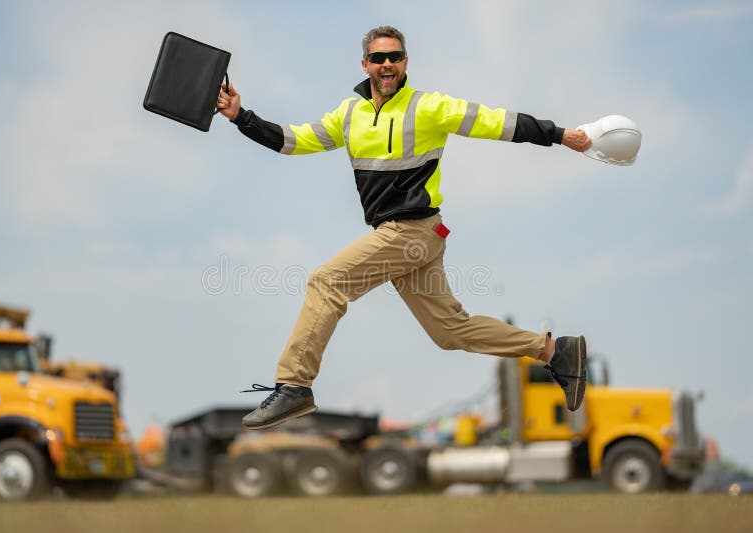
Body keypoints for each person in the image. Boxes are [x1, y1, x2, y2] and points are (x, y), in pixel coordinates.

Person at [216, 26, 591, 430]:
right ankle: (554, 351)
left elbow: (494, 122)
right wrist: (241, 117)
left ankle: (294, 385)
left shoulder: (428, 107)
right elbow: (293, 140)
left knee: (327, 282)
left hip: (411, 232)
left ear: (406, 62)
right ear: (366, 65)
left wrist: (557, 135)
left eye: (395, 56)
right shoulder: (349, 115)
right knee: (451, 332)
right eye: (379, 58)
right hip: (412, 239)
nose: (388, 64)